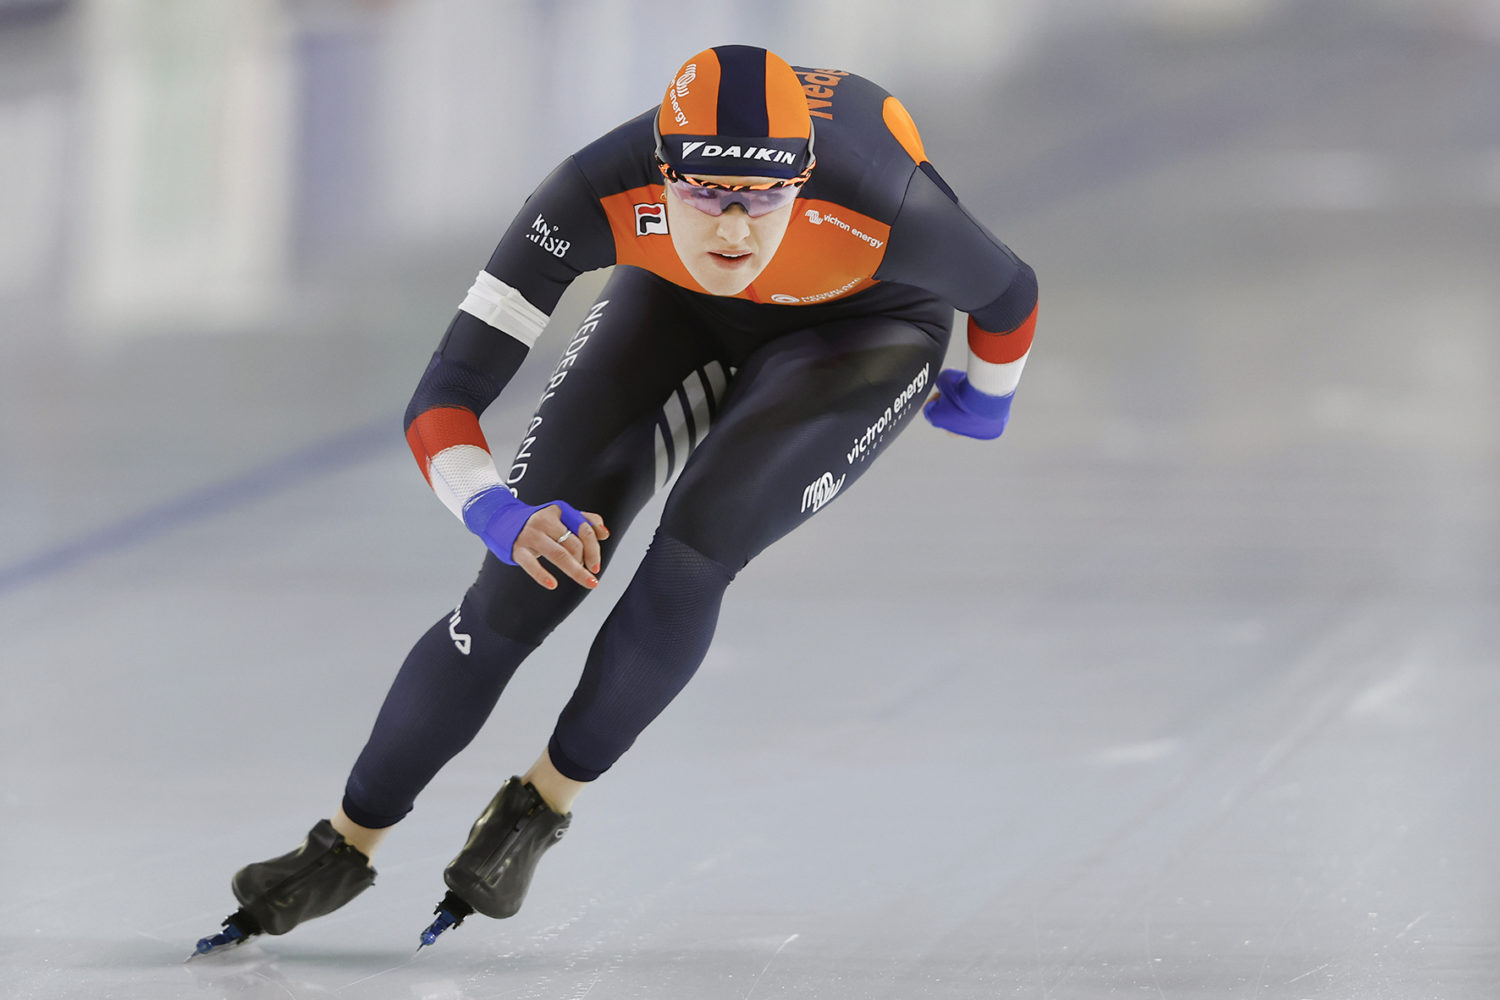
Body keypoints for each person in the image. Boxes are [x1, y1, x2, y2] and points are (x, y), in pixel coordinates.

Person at [194, 44, 1037, 955]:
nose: (735, 230)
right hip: (670, 302)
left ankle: (540, 803)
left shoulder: (886, 206)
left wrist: (988, 400)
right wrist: (497, 514)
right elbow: (443, 400)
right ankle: (342, 847)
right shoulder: (590, 192)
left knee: (696, 546)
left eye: (762, 199)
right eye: (708, 194)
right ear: (659, 174)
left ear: (804, 181)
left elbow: (1010, 291)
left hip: (866, 324)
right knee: (515, 586)